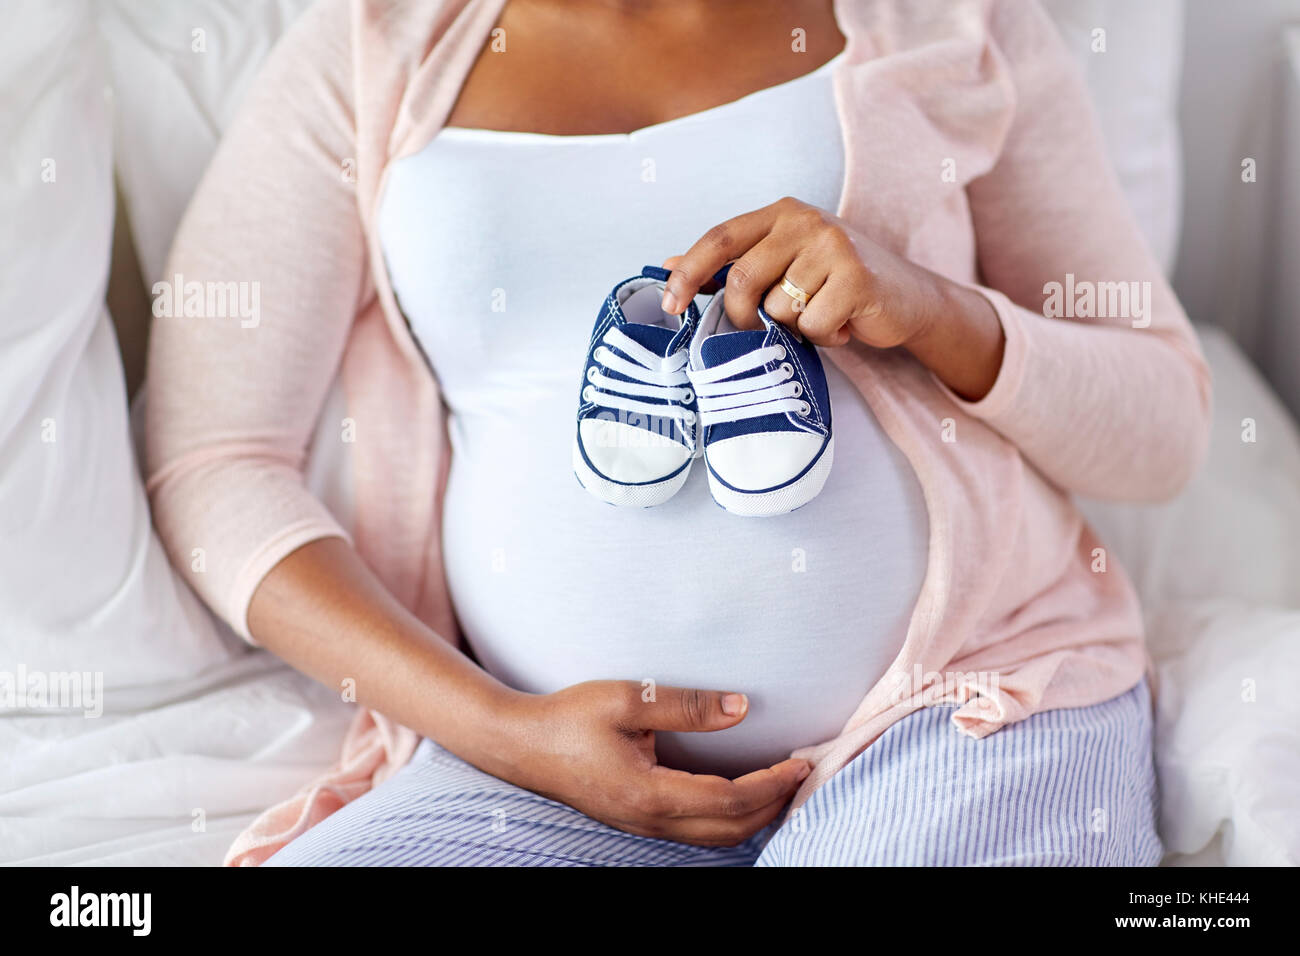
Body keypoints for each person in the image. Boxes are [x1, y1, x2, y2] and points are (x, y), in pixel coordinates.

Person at [145, 0, 1210, 866]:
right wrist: (498, 730)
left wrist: (935, 310)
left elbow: (1162, 426)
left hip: (965, 709)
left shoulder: (948, 19)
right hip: (541, 767)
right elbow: (214, 463)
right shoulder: (372, 54)